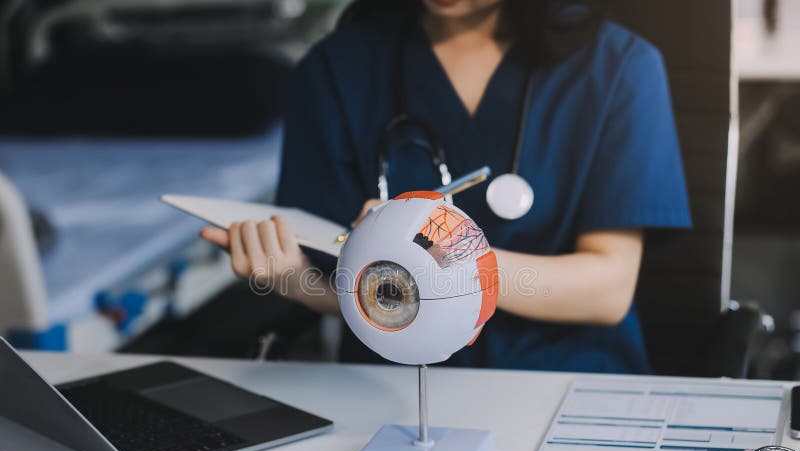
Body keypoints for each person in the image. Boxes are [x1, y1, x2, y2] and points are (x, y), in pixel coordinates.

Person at [201, 0, 691, 373]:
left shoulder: (619, 67)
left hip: (565, 379)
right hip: (397, 387)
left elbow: (605, 291)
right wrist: (294, 281)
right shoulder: (336, 69)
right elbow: (351, 289)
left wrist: (449, 259)